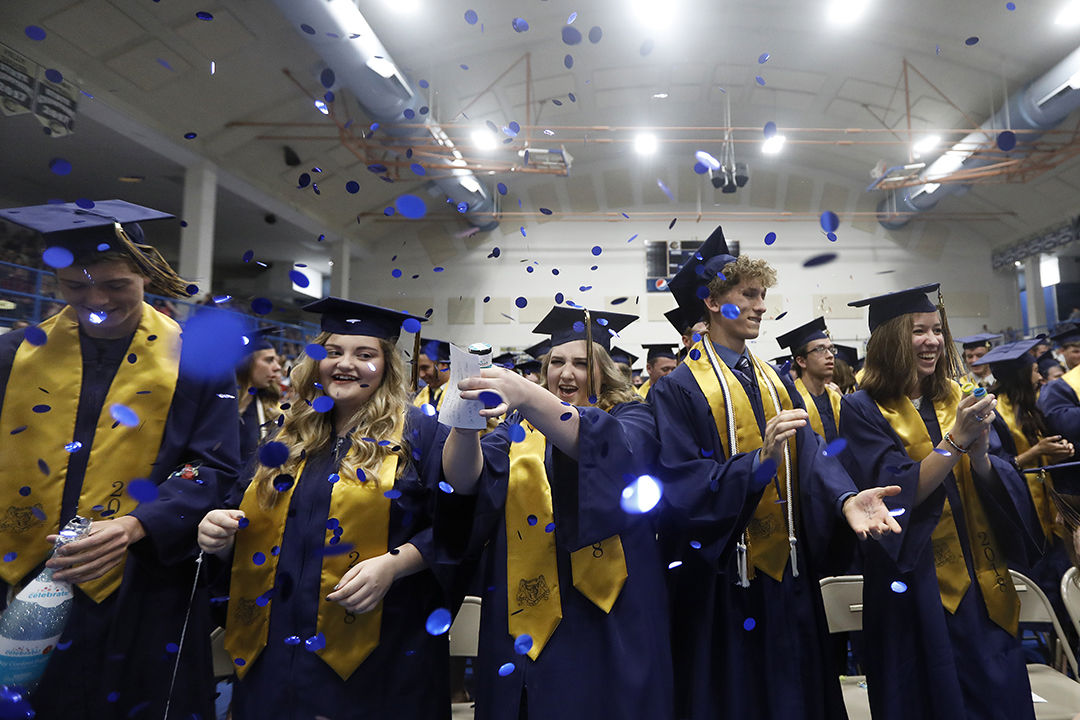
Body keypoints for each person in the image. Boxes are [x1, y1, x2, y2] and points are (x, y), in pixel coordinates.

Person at [649, 225, 901, 720]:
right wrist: (757, 464)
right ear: (712, 302)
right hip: (722, 574)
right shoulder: (676, 388)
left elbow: (809, 453)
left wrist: (844, 499)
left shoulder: (772, 380)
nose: (761, 305)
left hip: (785, 567)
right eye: (749, 294)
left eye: (762, 294)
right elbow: (681, 482)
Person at [0, 200, 240, 720]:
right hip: (20, 570)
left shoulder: (195, 361)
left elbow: (214, 467)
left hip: (142, 581)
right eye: (75, 287)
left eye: (115, 285)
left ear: (146, 277)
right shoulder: (13, 354)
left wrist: (137, 524)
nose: (95, 301)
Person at [198, 297, 484, 719]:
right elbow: (242, 516)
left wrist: (393, 564)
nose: (345, 364)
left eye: (364, 354)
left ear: (386, 365)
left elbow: (457, 522)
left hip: (379, 650)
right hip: (277, 643)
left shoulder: (420, 435)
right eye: (333, 352)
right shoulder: (288, 433)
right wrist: (217, 534)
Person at [438, 306, 674, 720]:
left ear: (605, 370)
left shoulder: (634, 417)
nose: (566, 374)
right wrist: (464, 423)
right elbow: (464, 481)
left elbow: (600, 445)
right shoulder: (519, 428)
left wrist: (528, 395)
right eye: (557, 362)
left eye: (581, 364)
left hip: (607, 612)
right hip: (527, 608)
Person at [839, 284, 1043, 720]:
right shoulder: (862, 408)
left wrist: (983, 454)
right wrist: (955, 442)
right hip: (914, 584)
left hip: (979, 574)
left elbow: (998, 476)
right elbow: (894, 489)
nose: (932, 340)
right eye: (918, 331)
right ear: (891, 340)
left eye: (936, 329)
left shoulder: (959, 395)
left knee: (993, 689)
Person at [976, 338, 1074, 631]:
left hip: (1051, 517)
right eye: (1034, 370)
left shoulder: (1031, 407)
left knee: (1061, 592)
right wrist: (1036, 452)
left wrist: (1060, 451)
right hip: (1019, 518)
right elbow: (995, 466)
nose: (1040, 376)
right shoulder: (994, 413)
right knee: (1034, 595)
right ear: (1021, 375)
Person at [776, 317, 841, 443]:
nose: (830, 355)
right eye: (820, 349)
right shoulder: (789, 401)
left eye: (831, 349)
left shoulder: (836, 398)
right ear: (801, 361)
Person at [236, 330, 283, 466]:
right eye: (269, 360)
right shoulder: (219, 405)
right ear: (247, 364)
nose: (277, 367)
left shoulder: (271, 411)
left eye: (277, 361)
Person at [413, 338, 451, 411]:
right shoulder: (417, 396)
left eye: (425, 368)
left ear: (443, 365)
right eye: (418, 369)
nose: (421, 375)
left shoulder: (460, 395)